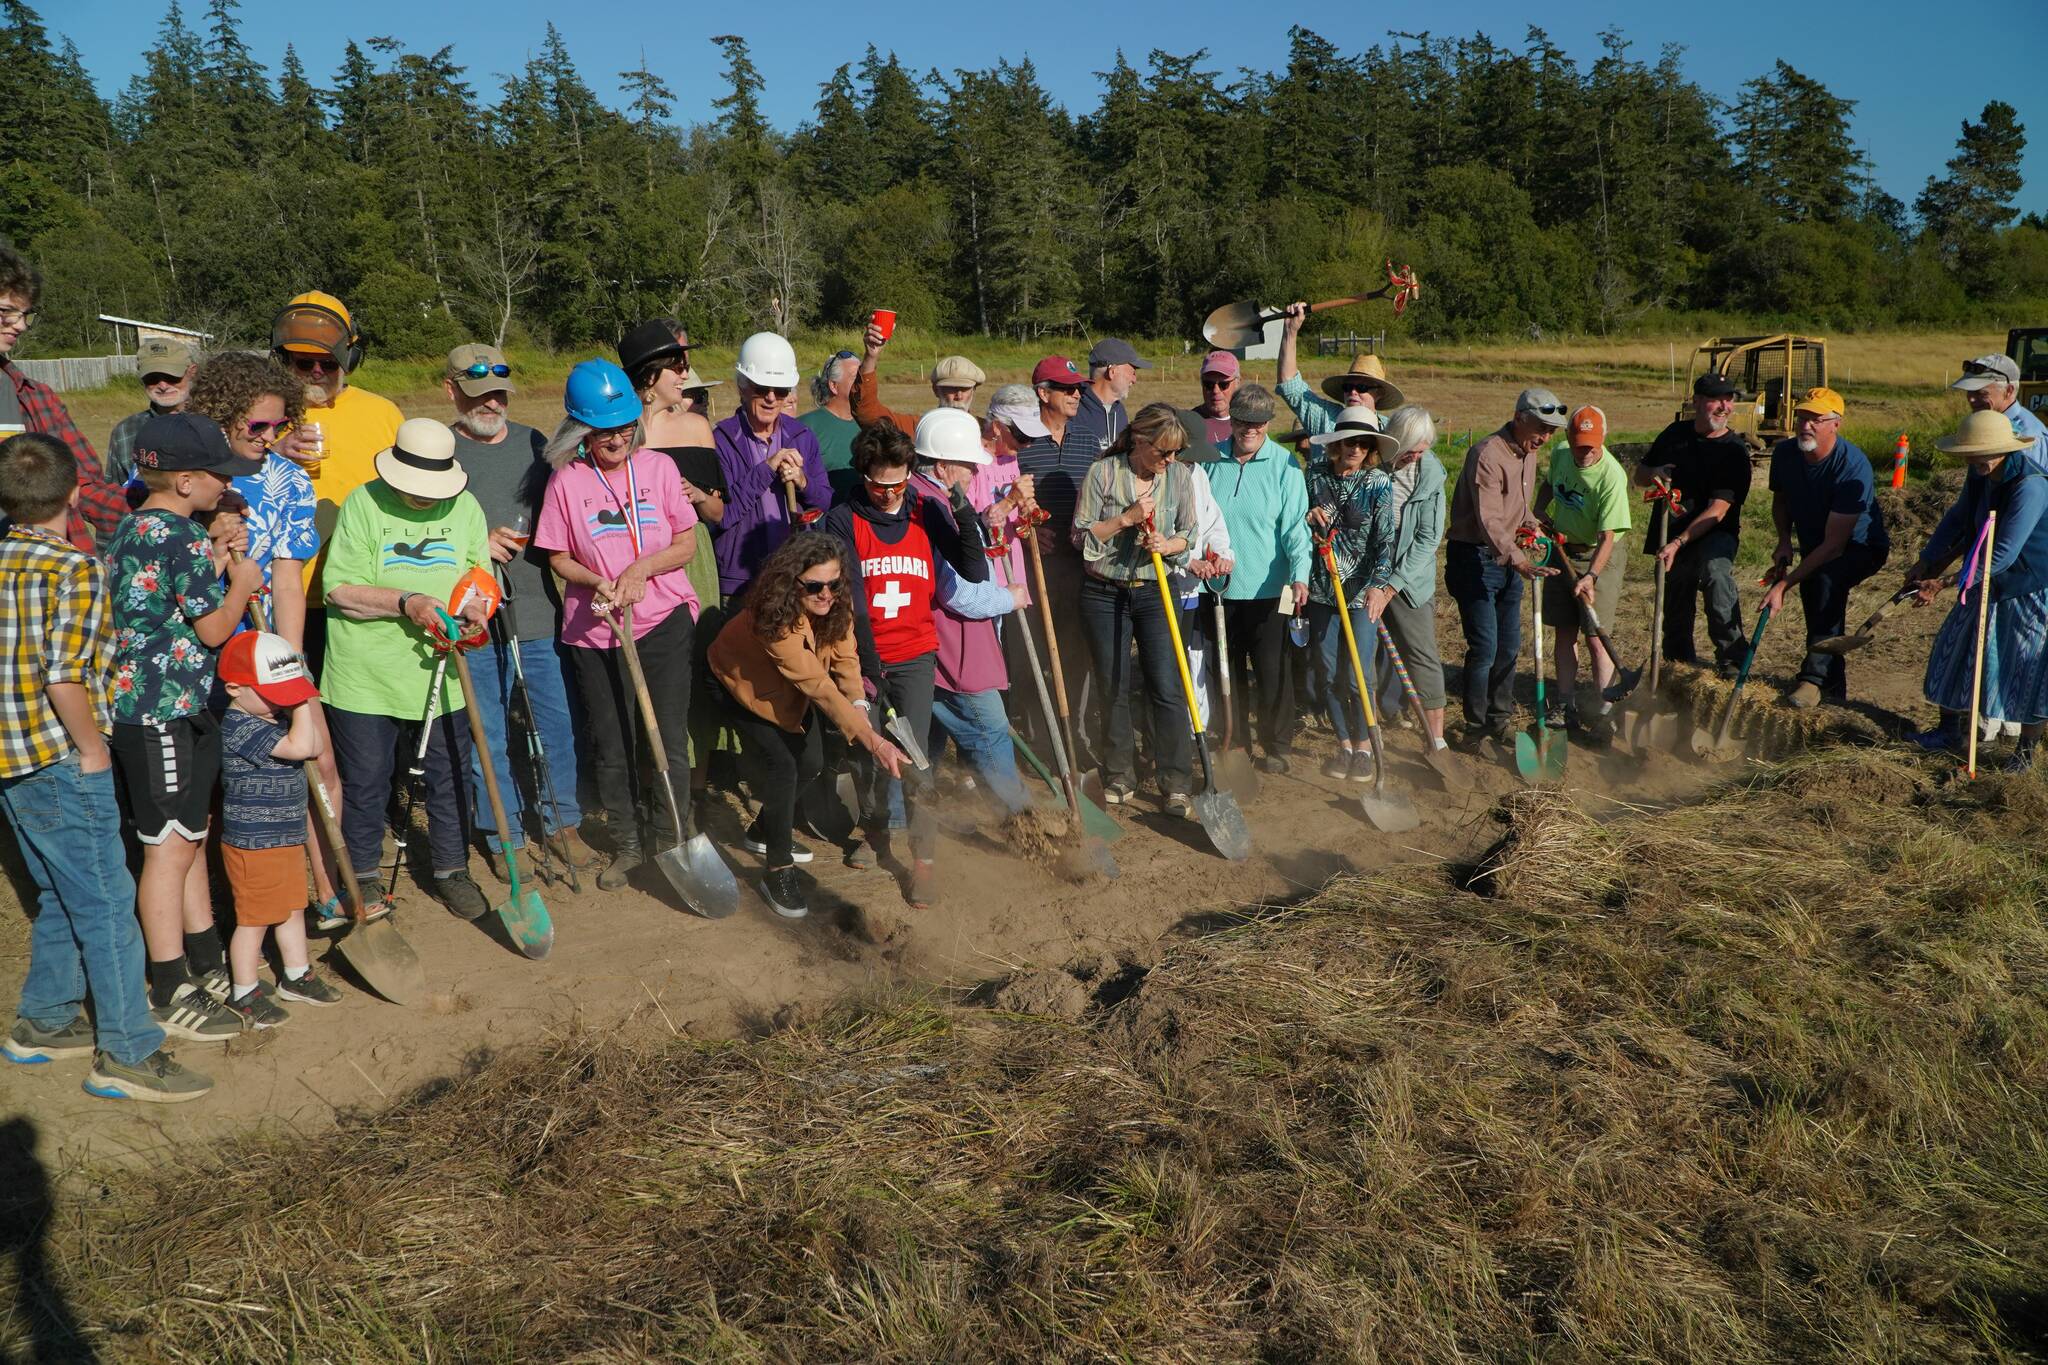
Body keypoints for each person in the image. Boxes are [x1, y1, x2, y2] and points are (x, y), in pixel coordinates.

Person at [0, 432, 212, 1101]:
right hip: (60, 754)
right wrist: (92, 748)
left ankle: (46, 1018)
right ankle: (127, 1049)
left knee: (62, 892)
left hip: (10, 757)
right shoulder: (73, 569)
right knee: (108, 901)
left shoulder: (3, 555)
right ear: (70, 495)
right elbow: (63, 676)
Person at [103, 413, 262, 1042]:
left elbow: (169, 604)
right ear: (189, 481)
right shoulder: (184, 539)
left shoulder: (134, 527)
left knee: (186, 835)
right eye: (219, 479)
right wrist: (241, 582)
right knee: (168, 850)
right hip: (164, 711)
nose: (226, 488)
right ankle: (169, 987)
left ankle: (203, 961)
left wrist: (214, 572)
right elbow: (214, 630)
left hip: (154, 707)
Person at [186, 349, 349, 928]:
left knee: (320, 764)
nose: (271, 436)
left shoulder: (286, 478)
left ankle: (332, 890)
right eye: (258, 425)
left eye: (279, 425)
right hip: (201, 659)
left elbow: (288, 574)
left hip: (270, 649)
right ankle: (233, 916)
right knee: (217, 792)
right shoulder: (185, 475)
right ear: (221, 414)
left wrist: (293, 667)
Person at [535, 359, 703, 890]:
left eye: (626, 426)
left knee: (666, 738)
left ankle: (675, 836)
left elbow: (686, 542)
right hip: (596, 629)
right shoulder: (566, 483)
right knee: (613, 743)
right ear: (583, 430)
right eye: (606, 429)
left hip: (663, 621)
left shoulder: (658, 470)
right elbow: (557, 555)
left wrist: (639, 570)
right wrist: (595, 580)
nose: (618, 437)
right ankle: (629, 844)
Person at [320, 417, 493, 918]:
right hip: (365, 676)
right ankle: (364, 878)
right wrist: (407, 601)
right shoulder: (363, 503)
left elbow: (478, 578)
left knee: (450, 774)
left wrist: (478, 609)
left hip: (443, 673)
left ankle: (450, 868)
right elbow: (339, 589)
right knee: (368, 779)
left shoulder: (466, 507)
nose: (424, 497)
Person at [822, 419, 987, 904]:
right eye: (877, 484)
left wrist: (960, 507)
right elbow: (850, 599)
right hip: (862, 657)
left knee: (917, 762)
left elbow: (974, 569)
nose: (888, 495)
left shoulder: (924, 509)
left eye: (897, 483)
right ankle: (875, 831)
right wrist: (870, 671)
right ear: (863, 476)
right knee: (869, 756)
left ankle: (924, 860)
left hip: (916, 655)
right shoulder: (842, 520)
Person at [444, 343, 592, 876]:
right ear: (452, 391)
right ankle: (502, 831)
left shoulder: (535, 442)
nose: (491, 404)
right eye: (479, 394)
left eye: (499, 393)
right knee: (489, 728)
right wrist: (474, 544)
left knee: (555, 721)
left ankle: (562, 822)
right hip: (474, 616)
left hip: (537, 609)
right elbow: (428, 534)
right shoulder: (440, 451)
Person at [710, 533, 908, 917]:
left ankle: (764, 829)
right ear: (791, 582)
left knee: (812, 763)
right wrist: (871, 740)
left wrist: (859, 710)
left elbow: (846, 663)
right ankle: (777, 870)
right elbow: (816, 685)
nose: (826, 594)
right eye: (814, 586)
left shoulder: (835, 608)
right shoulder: (772, 618)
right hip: (740, 684)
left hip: (789, 691)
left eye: (834, 584)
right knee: (785, 766)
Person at [269, 291, 406, 674]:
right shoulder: (263, 413)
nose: (316, 371)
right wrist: (273, 450)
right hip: (288, 596)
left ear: (349, 358)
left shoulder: (382, 413)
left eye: (327, 363)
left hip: (364, 594)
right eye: (303, 362)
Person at [1904, 408, 2048, 769]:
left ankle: (2025, 753)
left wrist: (1947, 581)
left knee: (2025, 671)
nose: (1976, 459)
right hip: (1981, 575)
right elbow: (1958, 517)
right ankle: (1949, 731)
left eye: (1984, 452)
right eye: (1972, 453)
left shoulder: (2031, 486)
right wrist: (1928, 560)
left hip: (2027, 586)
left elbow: (2003, 553)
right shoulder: (1979, 475)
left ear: (2005, 449)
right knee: (1953, 648)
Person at [215, 630, 344, 1029]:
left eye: (289, 692)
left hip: (286, 836)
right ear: (235, 688)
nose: (284, 700)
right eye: (277, 692)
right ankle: (244, 990)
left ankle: (295, 973)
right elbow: (302, 747)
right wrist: (303, 700)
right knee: (254, 920)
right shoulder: (239, 724)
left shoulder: (270, 715)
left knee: (291, 908)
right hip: (255, 843)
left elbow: (316, 744)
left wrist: (294, 698)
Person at [910, 407, 1035, 818]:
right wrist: (1008, 598)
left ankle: (915, 820)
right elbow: (956, 593)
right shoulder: (931, 506)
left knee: (927, 735)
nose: (974, 474)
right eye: (967, 466)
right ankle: (1024, 825)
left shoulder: (923, 495)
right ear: (944, 466)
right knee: (990, 729)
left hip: (928, 645)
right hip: (955, 644)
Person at [1075, 403, 1199, 814]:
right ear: (1141, 442)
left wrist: (1166, 545)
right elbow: (1081, 536)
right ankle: (1119, 774)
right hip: (1104, 590)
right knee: (1113, 684)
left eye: (1176, 452)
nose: (1170, 460)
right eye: (1163, 452)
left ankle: (1176, 779)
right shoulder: (1103, 473)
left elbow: (1189, 534)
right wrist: (1125, 520)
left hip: (1154, 591)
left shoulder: (1180, 476)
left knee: (1166, 685)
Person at [1202, 383, 1310, 773]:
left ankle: (1277, 745)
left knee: (1272, 670)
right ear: (1232, 420)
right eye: (1245, 421)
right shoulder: (1209, 461)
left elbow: (1296, 528)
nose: (1251, 430)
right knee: (1226, 671)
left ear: (1267, 424)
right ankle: (1236, 743)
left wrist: (1300, 575)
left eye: (1260, 423)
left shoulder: (1285, 467)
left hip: (1270, 589)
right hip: (1217, 587)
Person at [1446, 388, 1562, 747]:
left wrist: (1536, 527)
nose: (1545, 437)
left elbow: (1518, 507)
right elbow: (1490, 520)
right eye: (1541, 428)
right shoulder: (1487, 455)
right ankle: (1476, 726)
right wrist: (1520, 559)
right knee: (1485, 647)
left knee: (1510, 646)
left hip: (1511, 558)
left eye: (1551, 431)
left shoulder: (1527, 453)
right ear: (1519, 419)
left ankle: (1500, 720)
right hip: (1475, 558)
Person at [1761, 387, 1889, 708]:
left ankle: (1812, 679)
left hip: (1860, 547)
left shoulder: (1852, 466)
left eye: (1816, 419)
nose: (1806, 425)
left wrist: (1782, 585)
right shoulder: (1785, 454)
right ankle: (1833, 693)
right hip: (1814, 544)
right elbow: (1781, 500)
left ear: (1836, 424)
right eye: (1802, 417)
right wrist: (1782, 541)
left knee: (1826, 583)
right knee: (1816, 605)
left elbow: (1834, 546)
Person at [0, 246, 129, 550]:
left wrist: (164, 514)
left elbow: (82, 486)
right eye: (5, 312)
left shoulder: (36, 397)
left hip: (39, 574)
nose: (20, 325)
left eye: (25, 314)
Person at [1636, 372, 1753, 673]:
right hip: (1671, 529)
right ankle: (1678, 665)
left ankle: (1732, 659)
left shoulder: (1734, 451)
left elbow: (1719, 508)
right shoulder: (1675, 434)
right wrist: (1655, 472)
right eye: (1717, 399)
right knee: (1674, 594)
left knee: (1715, 575)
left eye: (1729, 400)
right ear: (1697, 401)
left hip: (1714, 533)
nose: (1724, 406)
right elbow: (1640, 475)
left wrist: (1678, 542)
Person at [1304, 408, 1398, 778]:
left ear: (1371, 447)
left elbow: (1385, 541)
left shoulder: (1377, 483)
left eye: (1362, 442)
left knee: (1360, 673)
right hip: (1322, 590)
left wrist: (1378, 587)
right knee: (1327, 671)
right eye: (1348, 441)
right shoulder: (1314, 476)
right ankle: (1343, 745)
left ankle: (1364, 748)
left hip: (1361, 593)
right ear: (1336, 443)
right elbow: (1297, 522)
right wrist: (1307, 517)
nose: (1354, 448)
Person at [1534, 405, 1632, 734]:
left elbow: (1608, 538)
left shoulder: (1612, 476)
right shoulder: (1562, 454)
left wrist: (1591, 576)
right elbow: (1549, 483)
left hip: (1598, 553)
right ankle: (1565, 703)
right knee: (1564, 630)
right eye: (1580, 444)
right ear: (1568, 439)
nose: (1586, 451)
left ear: (1603, 439)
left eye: (1592, 444)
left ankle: (1603, 706)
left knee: (1594, 636)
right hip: (1562, 550)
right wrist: (1538, 508)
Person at [711, 333, 828, 601]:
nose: (772, 399)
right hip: (742, 582)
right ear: (742, 386)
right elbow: (725, 514)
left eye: (781, 391)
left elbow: (825, 501)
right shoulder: (721, 441)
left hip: (795, 576)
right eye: (762, 389)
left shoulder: (802, 436)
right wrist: (767, 469)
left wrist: (803, 482)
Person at [1374, 405, 1450, 751]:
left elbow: (1428, 539)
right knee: (1363, 652)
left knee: (1421, 655)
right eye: (1410, 450)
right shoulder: (1375, 461)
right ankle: (1364, 736)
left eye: (1422, 450)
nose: (1416, 456)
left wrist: (1392, 585)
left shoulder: (1431, 475)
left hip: (1410, 578)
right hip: (1368, 569)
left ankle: (1436, 739)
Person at [1277, 303, 1406, 434]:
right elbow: (1290, 385)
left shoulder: (1389, 429)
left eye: (1362, 388)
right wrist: (1290, 331)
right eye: (1347, 387)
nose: (1353, 392)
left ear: (1379, 394)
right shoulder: (1326, 417)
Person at [849, 317, 987, 435]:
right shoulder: (920, 428)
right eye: (950, 388)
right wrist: (871, 356)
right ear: (935, 390)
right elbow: (868, 414)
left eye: (965, 388)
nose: (959, 395)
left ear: (974, 390)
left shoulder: (987, 431)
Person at [105, 336, 199, 487]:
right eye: (152, 378)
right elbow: (115, 490)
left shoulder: (216, 422)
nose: (162, 385)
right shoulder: (125, 431)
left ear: (192, 371)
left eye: (171, 376)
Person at [1952, 353, 2047, 472]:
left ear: (2008, 391)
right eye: (1969, 392)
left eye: (1981, 393)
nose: (1971, 399)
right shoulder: (1983, 425)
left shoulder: (2028, 437)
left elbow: (2031, 485)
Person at [800, 348, 862, 501]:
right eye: (857, 378)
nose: (864, 383)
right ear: (834, 386)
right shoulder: (805, 427)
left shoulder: (871, 425)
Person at [1072, 339, 1149, 453]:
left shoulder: (1120, 411)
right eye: (1132, 372)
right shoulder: (1072, 409)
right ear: (1112, 372)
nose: (1134, 380)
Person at [1194, 351, 1241, 446]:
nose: (1215, 390)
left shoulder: (1249, 424)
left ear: (1237, 383)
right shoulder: (1187, 425)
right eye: (1209, 385)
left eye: (1223, 385)